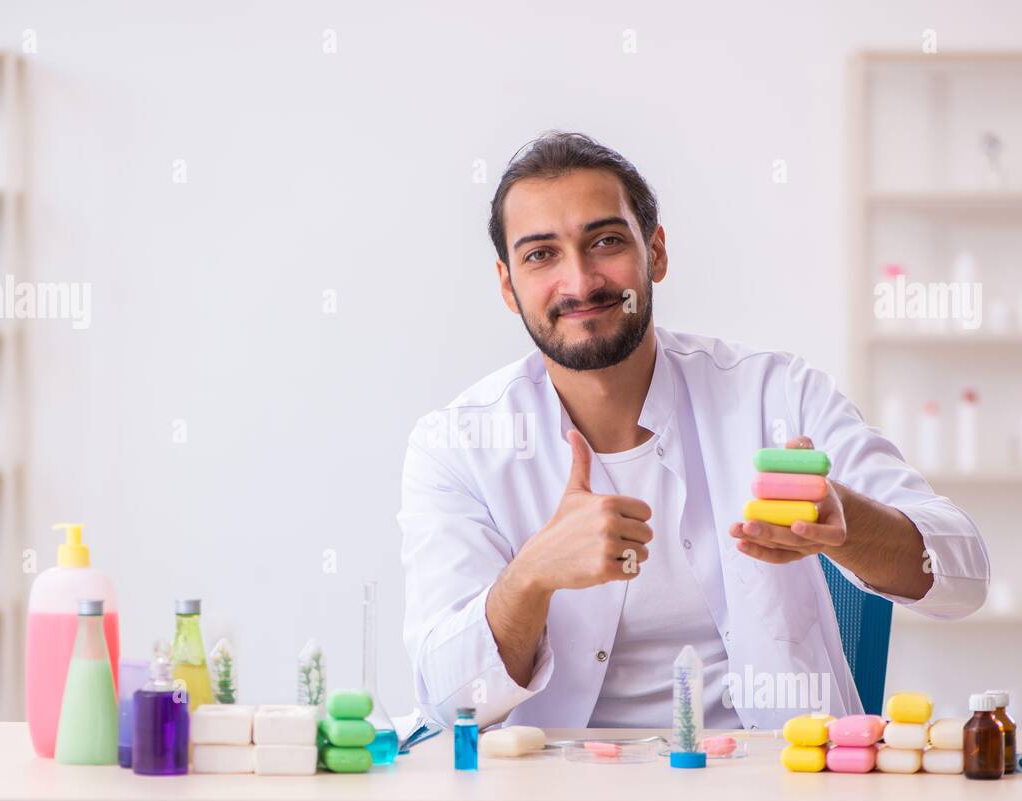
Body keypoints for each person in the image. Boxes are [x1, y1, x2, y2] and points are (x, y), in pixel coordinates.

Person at [398, 131, 989, 732]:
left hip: (771, 778)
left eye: (605, 242)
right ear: (508, 286)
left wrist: (847, 521)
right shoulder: (457, 446)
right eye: (541, 255)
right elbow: (448, 703)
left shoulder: (776, 394)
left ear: (655, 252)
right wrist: (532, 574)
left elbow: (963, 577)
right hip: (559, 786)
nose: (579, 282)